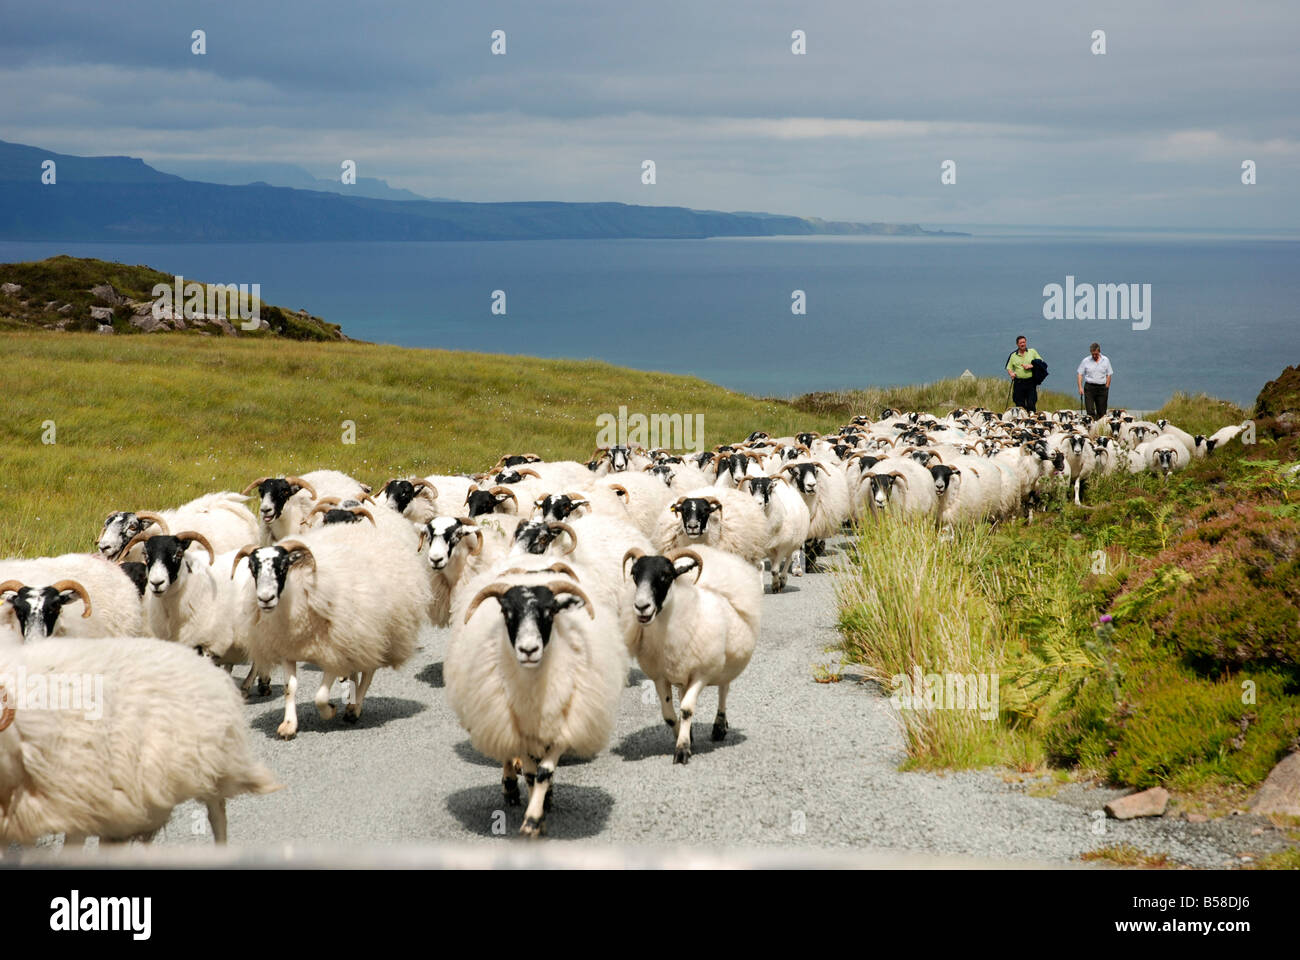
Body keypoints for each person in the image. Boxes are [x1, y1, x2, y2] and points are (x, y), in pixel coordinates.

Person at [1005, 335, 1042, 413]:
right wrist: (1011, 374)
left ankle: (1032, 420)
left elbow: (1041, 362)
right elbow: (1009, 367)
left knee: (1031, 403)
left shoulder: (1032, 352)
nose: (1023, 344)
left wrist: (1031, 366)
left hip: (1030, 382)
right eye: (1021, 343)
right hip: (1018, 382)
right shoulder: (1013, 355)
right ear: (1017, 344)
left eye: (1024, 342)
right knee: (1019, 404)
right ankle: (1022, 421)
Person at [1076, 342, 1113, 418]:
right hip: (1089, 388)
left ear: (1099, 352)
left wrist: (1107, 387)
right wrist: (1080, 387)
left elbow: (1109, 374)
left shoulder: (1106, 360)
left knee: (1102, 412)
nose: (1094, 356)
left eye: (1096, 354)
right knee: (1090, 410)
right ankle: (1091, 427)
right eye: (1093, 354)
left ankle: (1100, 427)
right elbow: (1080, 374)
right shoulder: (1086, 361)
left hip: (1102, 388)